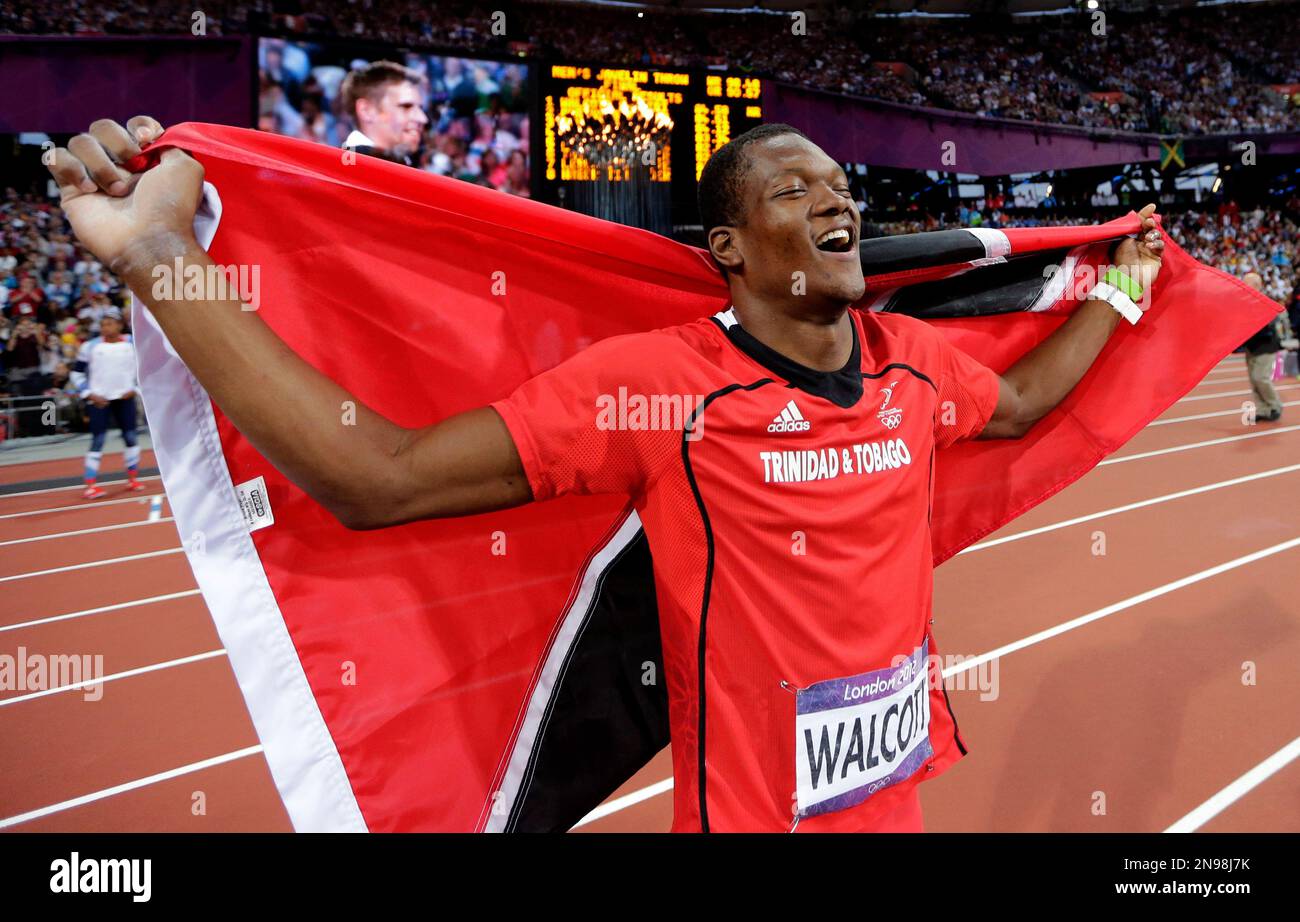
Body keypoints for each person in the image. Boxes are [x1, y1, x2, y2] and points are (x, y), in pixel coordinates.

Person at [47, 117, 1165, 832]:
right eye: (791, 190)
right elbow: (375, 476)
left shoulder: (911, 363)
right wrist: (159, 258)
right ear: (728, 250)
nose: (835, 201)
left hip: (893, 796)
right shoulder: (658, 387)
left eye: (836, 184)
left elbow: (1016, 403)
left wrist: (1119, 290)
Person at [70, 307, 145, 499]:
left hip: (124, 398)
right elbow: (76, 373)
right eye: (103, 324)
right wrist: (89, 393)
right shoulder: (90, 346)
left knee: (130, 437)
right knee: (98, 439)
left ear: (120, 325)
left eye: (110, 324)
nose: (105, 327)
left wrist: (135, 389)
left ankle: (133, 478)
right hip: (99, 400)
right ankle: (90, 484)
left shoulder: (133, 343)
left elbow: (145, 371)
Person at [338, 60, 429, 168]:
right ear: (366, 111)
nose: (423, 118)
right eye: (406, 106)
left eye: (420, 108)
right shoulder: (348, 168)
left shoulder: (401, 161)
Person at [1240, 271, 1284, 421]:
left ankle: (1275, 406)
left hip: (1265, 346)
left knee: (1260, 377)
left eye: (1246, 282)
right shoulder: (1243, 302)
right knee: (1253, 380)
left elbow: (1269, 324)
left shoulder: (1265, 301)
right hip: (1251, 346)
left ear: (1257, 285)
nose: (1242, 284)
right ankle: (1262, 410)